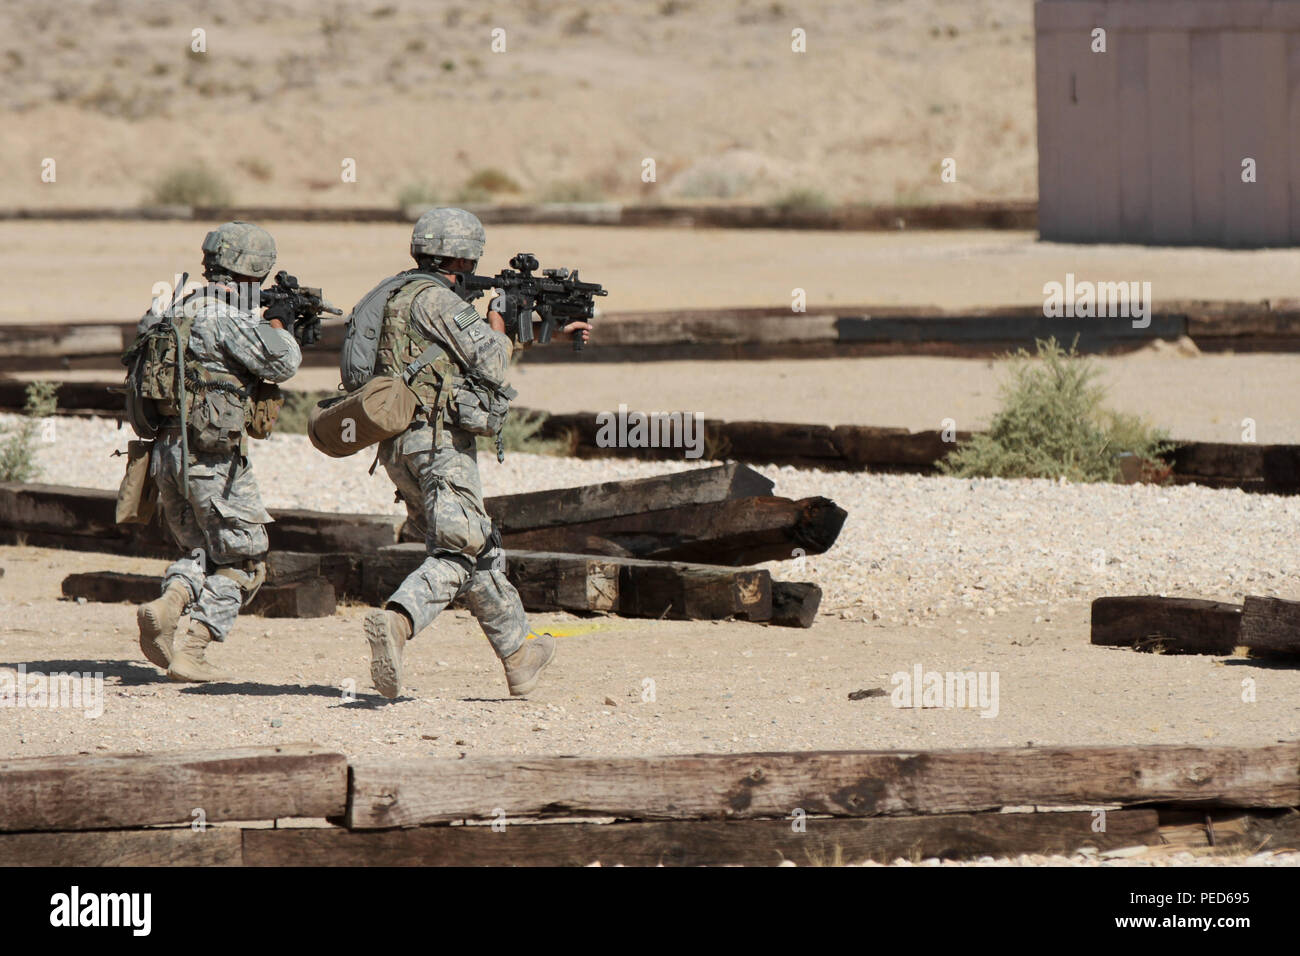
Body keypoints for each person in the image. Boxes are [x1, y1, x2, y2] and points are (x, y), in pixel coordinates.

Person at [362, 207, 591, 698]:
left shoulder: (400, 294)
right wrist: (494, 321)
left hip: (398, 442)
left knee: (479, 546)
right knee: (457, 548)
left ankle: (518, 657)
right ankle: (399, 620)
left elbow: (449, 355)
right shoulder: (441, 302)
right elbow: (489, 357)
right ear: (465, 258)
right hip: (439, 442)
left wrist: (534, 327)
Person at [133, 221, 302, 682]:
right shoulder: (225, 318)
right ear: (253, 272)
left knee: (201, 549)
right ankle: (195, 649)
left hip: (166, 454)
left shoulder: (173, 309)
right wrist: (279, 322)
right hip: (212, 460)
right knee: (246, 558)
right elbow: (283, 361)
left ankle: (168, 606)